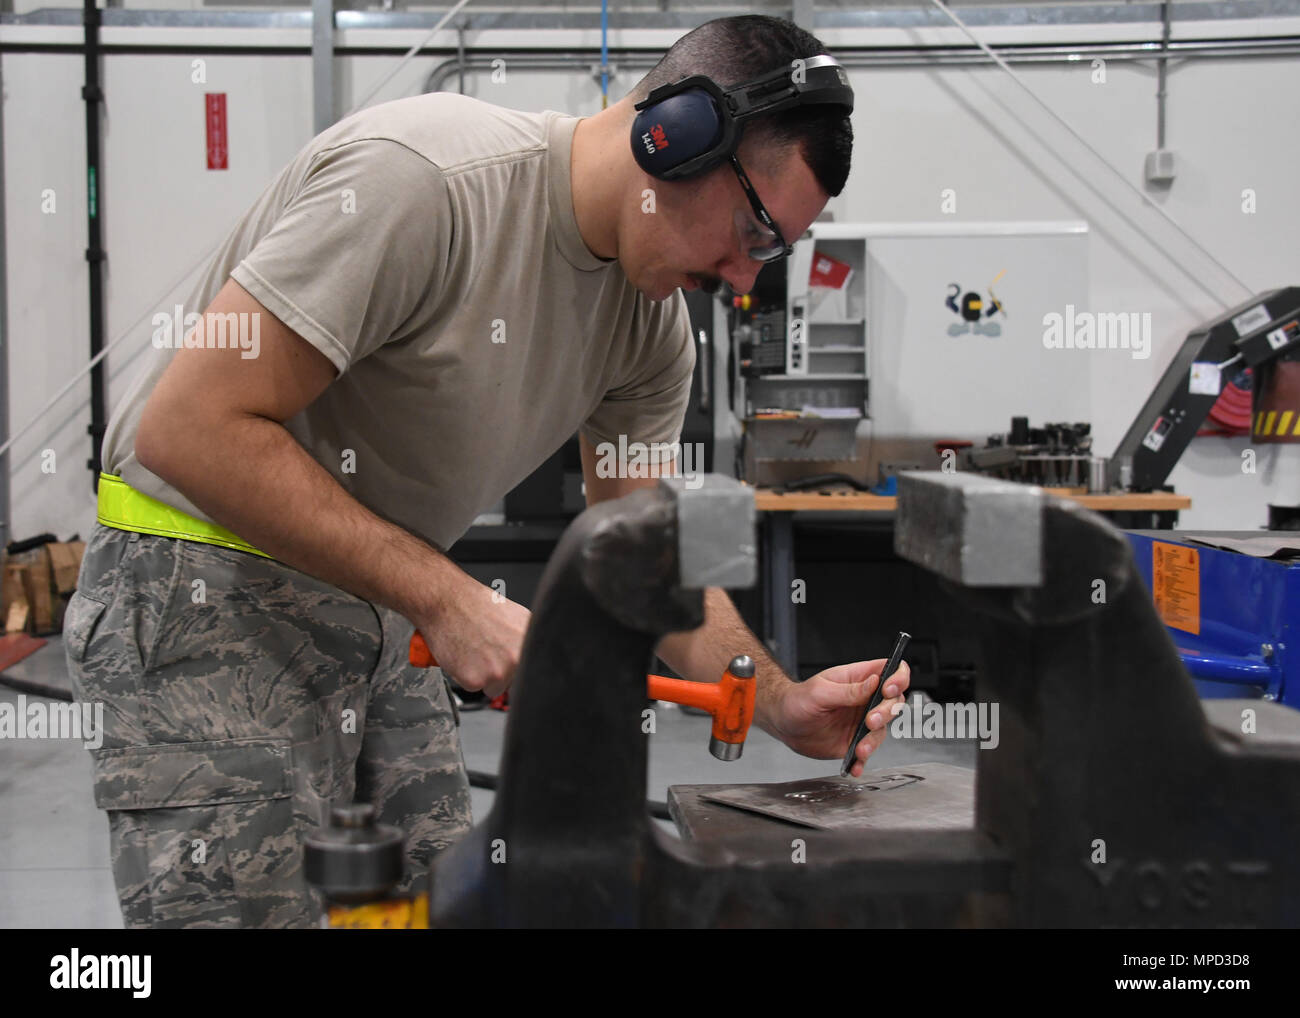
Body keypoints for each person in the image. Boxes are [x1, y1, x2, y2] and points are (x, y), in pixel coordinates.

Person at [65, 14, 910, 929]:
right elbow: (188, 428)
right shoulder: (426, 182)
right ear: (676, 136)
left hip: (382, 606)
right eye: (753, 227)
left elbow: (649, 559)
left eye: (774, 250)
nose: (745, 280)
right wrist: (450, 599)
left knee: (447, 912)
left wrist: (780, 697)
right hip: (204, 586)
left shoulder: (653, 331)